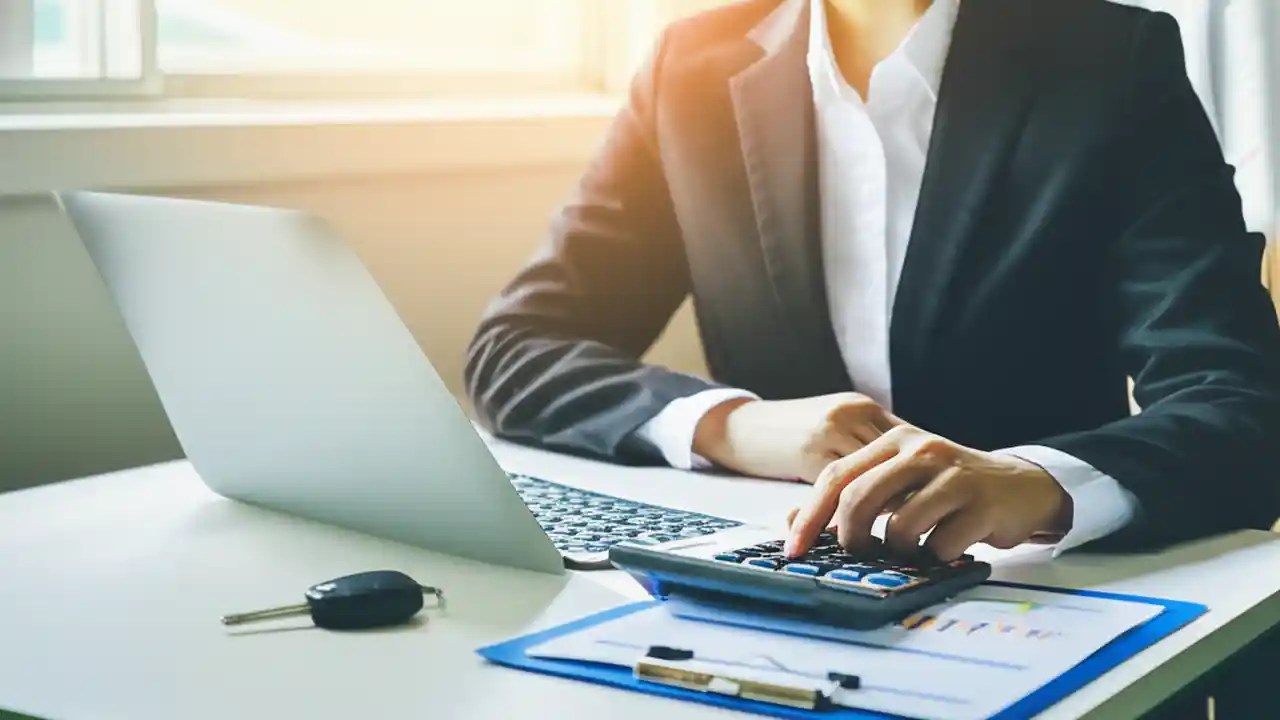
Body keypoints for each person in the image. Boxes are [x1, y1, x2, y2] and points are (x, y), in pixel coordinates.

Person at [467, 0, 1280, 562]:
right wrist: (733, 425)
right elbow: (515, 350)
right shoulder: (692, 68)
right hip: (762, 591)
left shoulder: (1111, 62)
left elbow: (1243, 406)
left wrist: (1035, 481)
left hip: (1045, 599)